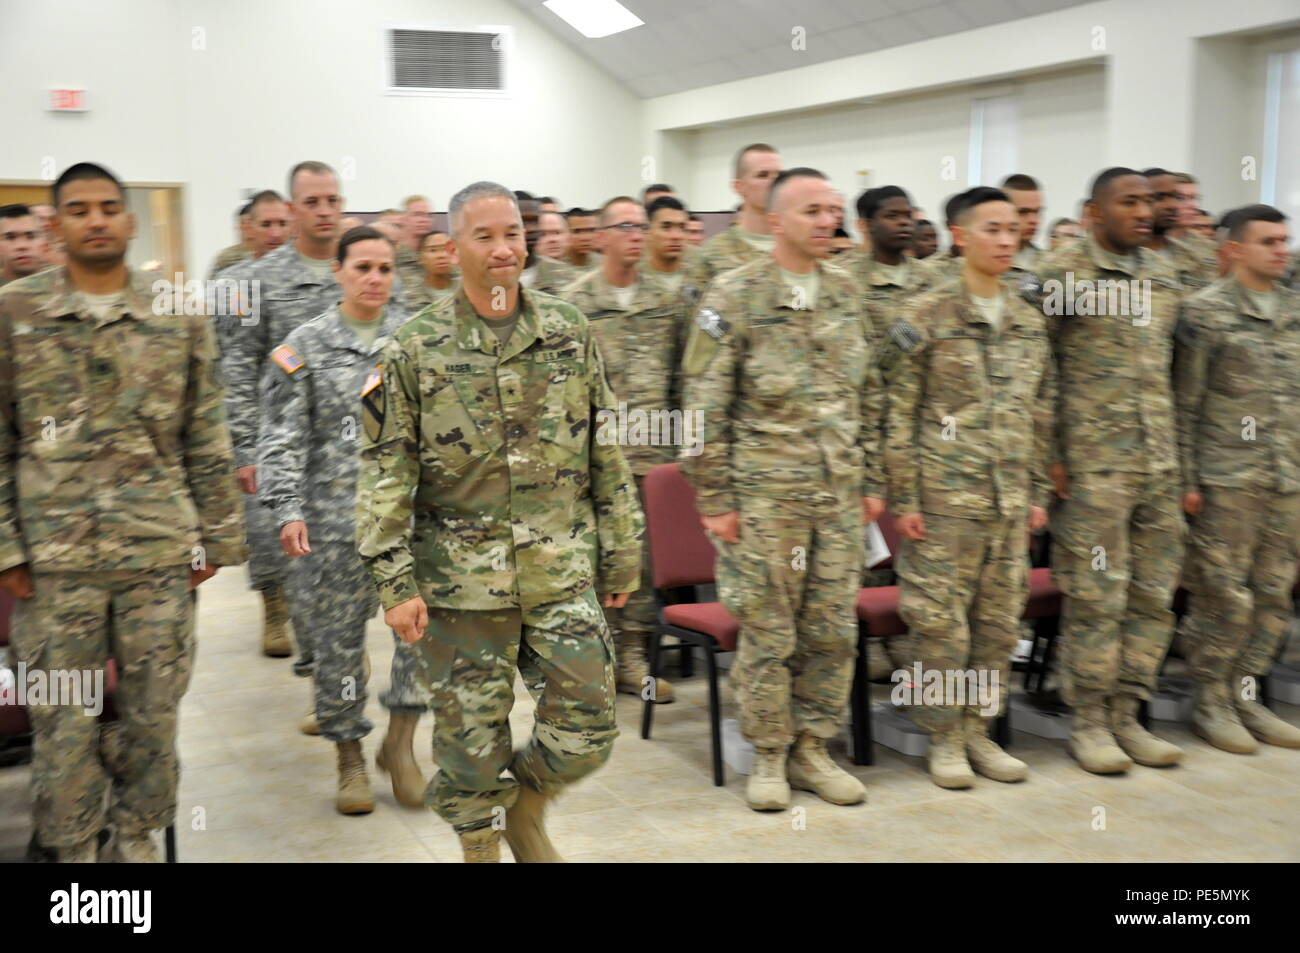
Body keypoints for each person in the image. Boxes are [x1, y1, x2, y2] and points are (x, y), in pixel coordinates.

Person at [356, 181, 643, 863]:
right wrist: (395, 584)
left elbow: (605, 445)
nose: (503, 247)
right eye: (483, 236)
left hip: (560, 566)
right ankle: (479, 846)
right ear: (453, 248)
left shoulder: (568, 329)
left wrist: (623, 548)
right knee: (470, 743)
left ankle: (529, 804)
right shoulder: (412, 349)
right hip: (458, 584)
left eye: (512, 232)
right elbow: (385, 472)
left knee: (589, 725)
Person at [0, 162, 245, 861]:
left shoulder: (177, 311)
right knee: (63, 725)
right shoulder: (16, 312)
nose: (97, 219)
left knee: (151, 720)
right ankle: (74, 857)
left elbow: (205, 429)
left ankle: (137, 850)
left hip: (158, 559)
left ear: (130, 221)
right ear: (57, 225)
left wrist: (219, 542)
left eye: (109, 207)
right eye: (79, 209)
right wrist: (8, 551)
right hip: (54, 570)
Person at [679, 167, 883, 813]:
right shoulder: (731, 296)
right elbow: (699, 403)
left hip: (838, 494)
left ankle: (813, 746)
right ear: (776, 222)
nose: (829, 221)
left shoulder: (849, 293)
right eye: (813, 211)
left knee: (830, 629)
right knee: (770, 631)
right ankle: (768, 751)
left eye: (834, 209)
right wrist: (714, 498)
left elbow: (870, 393)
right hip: (766, 497)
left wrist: (872, 478)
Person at [882, 187, 1055, 788]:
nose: (1007, 240)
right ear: (960, 235)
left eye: (1014, 230)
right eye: (993, 229)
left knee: (998, 625)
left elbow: (1040, 412)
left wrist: (1035, 491)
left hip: (1008, 501)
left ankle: (979, 730)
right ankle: (943, 737)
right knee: (939, 626)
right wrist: (904, 499)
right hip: (943, 501)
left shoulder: (1029, 322)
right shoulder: (923, 316)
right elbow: (897, 415)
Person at [258, 225, 427, 813]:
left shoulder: (417, 341)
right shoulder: (302, 346)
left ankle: (401, 744)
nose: (375, 279)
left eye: (385, 268)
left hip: (408, 523)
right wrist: (286, 508)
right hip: (334, 528)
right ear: (339, 272)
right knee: (337, 646)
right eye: (363, 268)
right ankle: (350, 754)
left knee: (421, 641)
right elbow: (278, 438)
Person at [1033, 167, 1187, 774]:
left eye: (1149, 201)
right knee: (1098, 595)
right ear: (1095, 213)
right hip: (1092, 467)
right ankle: (1091, 721)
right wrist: (1049, 458)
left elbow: (1171, 371)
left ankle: (1129, 711)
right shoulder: (1061, 276)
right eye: (1129, 202)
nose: (1144, 211)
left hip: (1158, 462)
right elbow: (1033, 371)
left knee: (1151, 596)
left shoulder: (1164, 275)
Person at [224, 161, 365, 725]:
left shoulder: (363, 267)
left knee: (347, 599)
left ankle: (338, 694)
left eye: (333, 199)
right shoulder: (257, 283)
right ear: (292, 210)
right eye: (313, 202)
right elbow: (238, 369)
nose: (325, 210)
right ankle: (327, 683)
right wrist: (245, 450)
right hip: (291, 458)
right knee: (306, 586)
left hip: (356, 459)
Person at [1173, 204, 1300, 753]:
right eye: (1269, 241)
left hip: (1286, 475)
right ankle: (1212, 700)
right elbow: (1185, 403)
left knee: (1273, 596)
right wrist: (1187, 480)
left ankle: (1246, 694)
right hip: (1226, 476)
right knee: (1224, 597)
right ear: (1236, 250)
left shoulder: (1295, 310)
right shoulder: (1203, 314)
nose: (1281, 250)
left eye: (1284, 241)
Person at [559, 195, 686, 704]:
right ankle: (598, 656)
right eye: (625, 226)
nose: (637, 235)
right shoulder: (575, 304)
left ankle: (635, 656)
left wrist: (685, 450)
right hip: (597, 457)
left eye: (642, 226)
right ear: (602, 236)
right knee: (595, 558)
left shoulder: (669, 300)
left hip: (654, 454)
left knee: (647, 562)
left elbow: (684, 376)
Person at [683, 143, 783, 302]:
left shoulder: (796, 248)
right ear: (739, 187)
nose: (774, 183)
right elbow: (695, 318)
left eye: (779, 176)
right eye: (763, 175)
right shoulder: (712, 255)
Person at [846, 186, 931, 353]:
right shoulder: (846, 279)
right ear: (869, 225)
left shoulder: (932, 278)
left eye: (908, 216)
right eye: (891, 216)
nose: (904, 222)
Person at [1142, 168, 1216, 289]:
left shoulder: (1208, 250)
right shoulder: (1133, 247)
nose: (1193, 206)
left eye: (1194, 198)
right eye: (1181, 198)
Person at [643, 195, 690, 294]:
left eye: (682, 228)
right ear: (648, 231)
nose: (676, 236)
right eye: (666, 227)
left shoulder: (699, 279)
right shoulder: (634, 279)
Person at [404, 229, 459, 312]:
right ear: (420, 258)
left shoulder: (467, 289)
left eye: (446, 249)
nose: (441, 255)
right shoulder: (413, 297)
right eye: (433, 250)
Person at [1000, 173, 1044, 274]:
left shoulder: (1049, 264)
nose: (1034, 220)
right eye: (1023, 212)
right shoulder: (984, 261)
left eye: (1037, 212)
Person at [0, 204, 48, 287]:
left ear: (44, 243)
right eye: (10, 238)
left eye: (31, 236)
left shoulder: (68, 284)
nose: (22, 246)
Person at [208, 200, 255, 277]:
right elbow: (210, 286)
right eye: (243, 222)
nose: (247, 226)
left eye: (250, 222)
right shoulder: (226, 257)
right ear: (238, 227)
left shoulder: (266, 254)